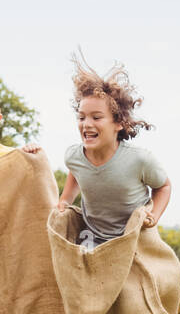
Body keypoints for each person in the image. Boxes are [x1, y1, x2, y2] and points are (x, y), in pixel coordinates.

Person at [56, 56, 170, 242]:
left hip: (135, 238)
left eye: (96, 117)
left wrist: (154, 215)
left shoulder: (139, 160)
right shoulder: (74, 156)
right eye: (82, 117)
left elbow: (163, 186)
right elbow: (76, 171)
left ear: (118, 123)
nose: (87, 124)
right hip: (93, 238)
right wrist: (65, 200)